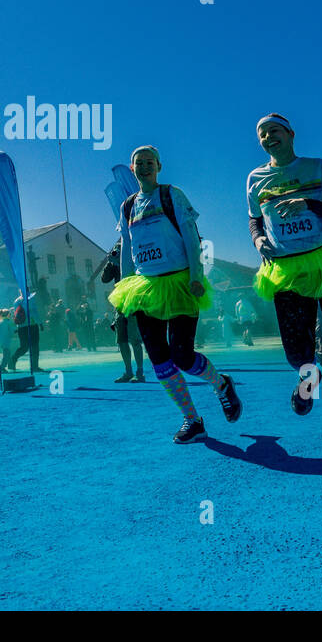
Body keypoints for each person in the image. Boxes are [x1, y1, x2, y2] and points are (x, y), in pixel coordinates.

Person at [247, 115, 322, 449]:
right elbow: (255, 219)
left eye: (274, 131)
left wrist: (306, 203)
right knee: (295, 350)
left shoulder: (317, 167)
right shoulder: (255, 178)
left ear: (290, 134)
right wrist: (258, 241)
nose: (268, 137)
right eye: (262, 134)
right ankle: (309, 376)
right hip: (287, 268)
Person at [109, 145, 238, 444]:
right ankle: (193, 421)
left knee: (182, 355)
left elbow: (192, 238)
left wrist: (196, 276)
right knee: (159, 360)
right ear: (132, 169)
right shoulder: (127, 206)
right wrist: (125, 290)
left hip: (180, 283)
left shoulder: (171, 195)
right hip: (144, 288)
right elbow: (127, 249)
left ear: (159, 167)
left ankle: (221, 384)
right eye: (138, 163)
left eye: (149, 162)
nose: (144, 167)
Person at [100, 243, 145, 382]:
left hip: (132, 304)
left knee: (135, 340)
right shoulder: (113, 265)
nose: (117, 252)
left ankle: (140, 372)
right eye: (116, 250)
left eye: (120, 250)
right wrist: (109, 263)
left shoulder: (133, 261)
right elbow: (104, 279)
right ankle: (128, 372)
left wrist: (120, 264)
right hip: (119, 305)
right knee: (121, 341)